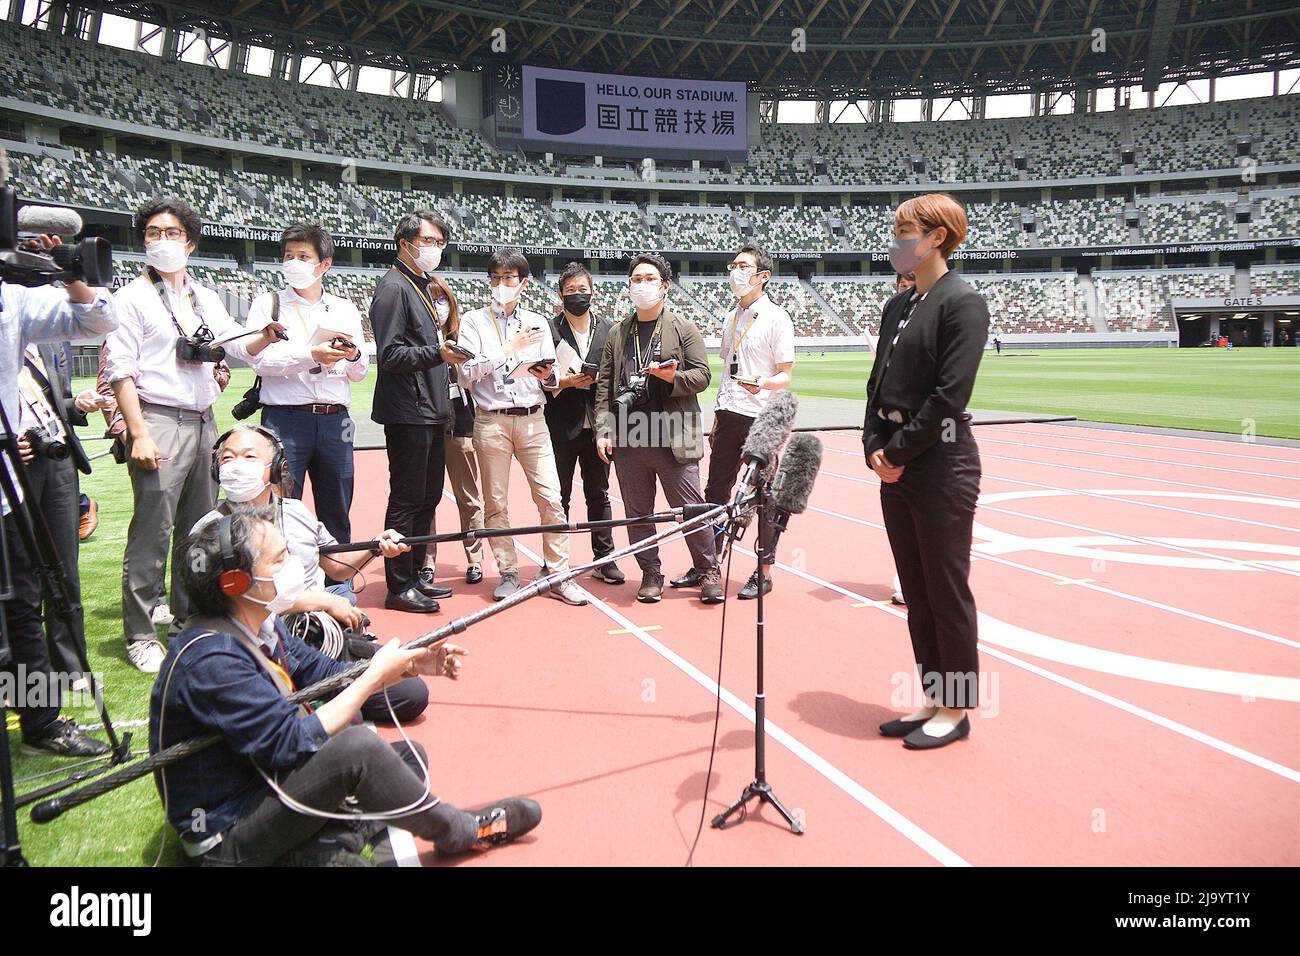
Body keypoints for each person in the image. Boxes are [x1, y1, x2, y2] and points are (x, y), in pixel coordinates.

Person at [151, 506, 542, 865]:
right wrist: (373, 675)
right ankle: (461, 831)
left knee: (408, 757)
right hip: (227, 835)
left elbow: (323, 674)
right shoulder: (211, 659)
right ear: (237, 583)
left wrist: (407, 665)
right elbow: (289, 742)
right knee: (360, 749)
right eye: (280, 559)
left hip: (264, 788)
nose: (293, 567)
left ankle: (328, 848)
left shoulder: (259, 623)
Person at [105, 196, 286, 672]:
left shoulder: (204, 297)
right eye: (152, 234)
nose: (161, 242)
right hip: (158, 418)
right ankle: (141, 633)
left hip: (204, 419)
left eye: (171, 234)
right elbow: (120, 371)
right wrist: (138, 433)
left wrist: (264, 336)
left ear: (190, 242)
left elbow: (235, 345)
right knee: (152, 530)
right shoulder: (131, 298)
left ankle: (187, 619)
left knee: (196, 529)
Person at [192, 424, 429, 724]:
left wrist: (376, 546)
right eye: (228, 458)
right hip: (256, 651)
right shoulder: (208, 531)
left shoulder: (296, 512)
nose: (237, 465)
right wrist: (319, 601)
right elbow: (221, 606)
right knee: (349, 713)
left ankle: (321, 698)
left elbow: (335, 565)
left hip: (314, 642)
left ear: (275, 468)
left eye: (249, 456)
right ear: (216, 468)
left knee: (410, 691)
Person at [864, 193, 988, 751]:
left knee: (945, 588)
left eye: (904, 230)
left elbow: (948, 395)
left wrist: (898, 453)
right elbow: (877, 386)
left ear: (937, 237)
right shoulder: (899, 304)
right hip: (897, 459)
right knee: (914, 588)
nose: (895, 241)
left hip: (941, 462)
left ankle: (957, 708)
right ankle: (933, 696)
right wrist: (874, 444)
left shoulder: (962, 303)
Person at [0, 233, 116, 756]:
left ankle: (40, 721)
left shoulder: (13, 291)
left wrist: (64, 269)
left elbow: (94, 321)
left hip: (9, 487)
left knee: (20, 602)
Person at [457, 247, 588, 606]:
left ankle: (558, 573)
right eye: (496, 278)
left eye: (510, 278)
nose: (502, 284)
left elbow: (553, 377)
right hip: (491, 421)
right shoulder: (473, 322)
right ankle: (509, 571)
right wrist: (506, 349)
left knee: (551, 497)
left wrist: (548, 376)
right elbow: (466, 374)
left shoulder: (538, 322)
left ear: (523, 283)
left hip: (533, 419)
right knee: (495, 503)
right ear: (489, 281)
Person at [594, 253, 723, 605]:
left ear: (664, 286)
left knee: (691, 508)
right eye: (636, 279)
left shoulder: (683, 327)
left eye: (649, 278)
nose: (641, 285)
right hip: (630, 434)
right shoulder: (619, 332)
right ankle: (650, 573)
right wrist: (603, 431)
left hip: (673, 433)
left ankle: (708, 569)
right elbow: (605, 384)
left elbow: (703, 375)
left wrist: (672, 378)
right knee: (638, 513)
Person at [672, 243, 793, 600]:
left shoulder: (777, 317)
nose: (734, 272)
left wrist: (764, 384)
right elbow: (728, 368)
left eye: (743, 266)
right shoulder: (730, 317)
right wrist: (718, 415)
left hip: (763, 418)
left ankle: (763, 572)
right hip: (728, 415)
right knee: (714, 493)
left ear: (762, 276)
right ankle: (707, 564)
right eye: (733, 265)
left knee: (763, 496)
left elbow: (785, 375)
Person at [369, 210, 469, 614]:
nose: (435, 250)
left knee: (427, 497)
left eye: (440, 242)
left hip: (430, 409)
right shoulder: (394, 288)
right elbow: (389, 354)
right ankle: (398, 586)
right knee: (407, 498)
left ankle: (413, 577)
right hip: (408, 411)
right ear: (405, 243)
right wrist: (436, 352)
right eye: (428, 241)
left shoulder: (420, 285)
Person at [244, 222, 368, 544]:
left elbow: (360, 371)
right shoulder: (267, 304)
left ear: (324, 264)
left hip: (335, 419)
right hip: (285, 419)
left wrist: (351, 355)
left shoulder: (344, 307)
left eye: (303, 256)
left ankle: (338, 582)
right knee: (279, 505)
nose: (294, 263)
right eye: (289, 256)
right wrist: (311, 355)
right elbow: (258, 361)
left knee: (337, 506)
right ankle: (282, 582)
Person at [14, 340, 100, 682]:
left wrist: (76, 404)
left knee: (64, 567)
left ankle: (70, 665)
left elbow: (55, 402)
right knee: (20, 572)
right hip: (13, 463)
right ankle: (23, 669)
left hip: (57, 457)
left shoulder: (50, 340)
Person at [544, 262, 623, 585]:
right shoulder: (549, 329)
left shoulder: (610, 330)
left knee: (599, 494)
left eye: (582, 290)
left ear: (592, 292)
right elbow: (538, 376)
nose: (577, 296)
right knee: (557, 497)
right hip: (561, 423)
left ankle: (605, 559)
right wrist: (564, 382)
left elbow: (619, 376)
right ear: (561, 295)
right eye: (570, 291)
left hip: (599, 426)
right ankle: (555, 563)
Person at [417, 280, 486, 587]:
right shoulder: (415, 342)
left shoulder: (464, 337)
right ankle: (426, 561)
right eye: (430, 299)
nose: (437, 304)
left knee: (468, 496)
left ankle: (475, 559)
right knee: (426, 497)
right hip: (425, 424)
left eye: (442, 298)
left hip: (460, 423)